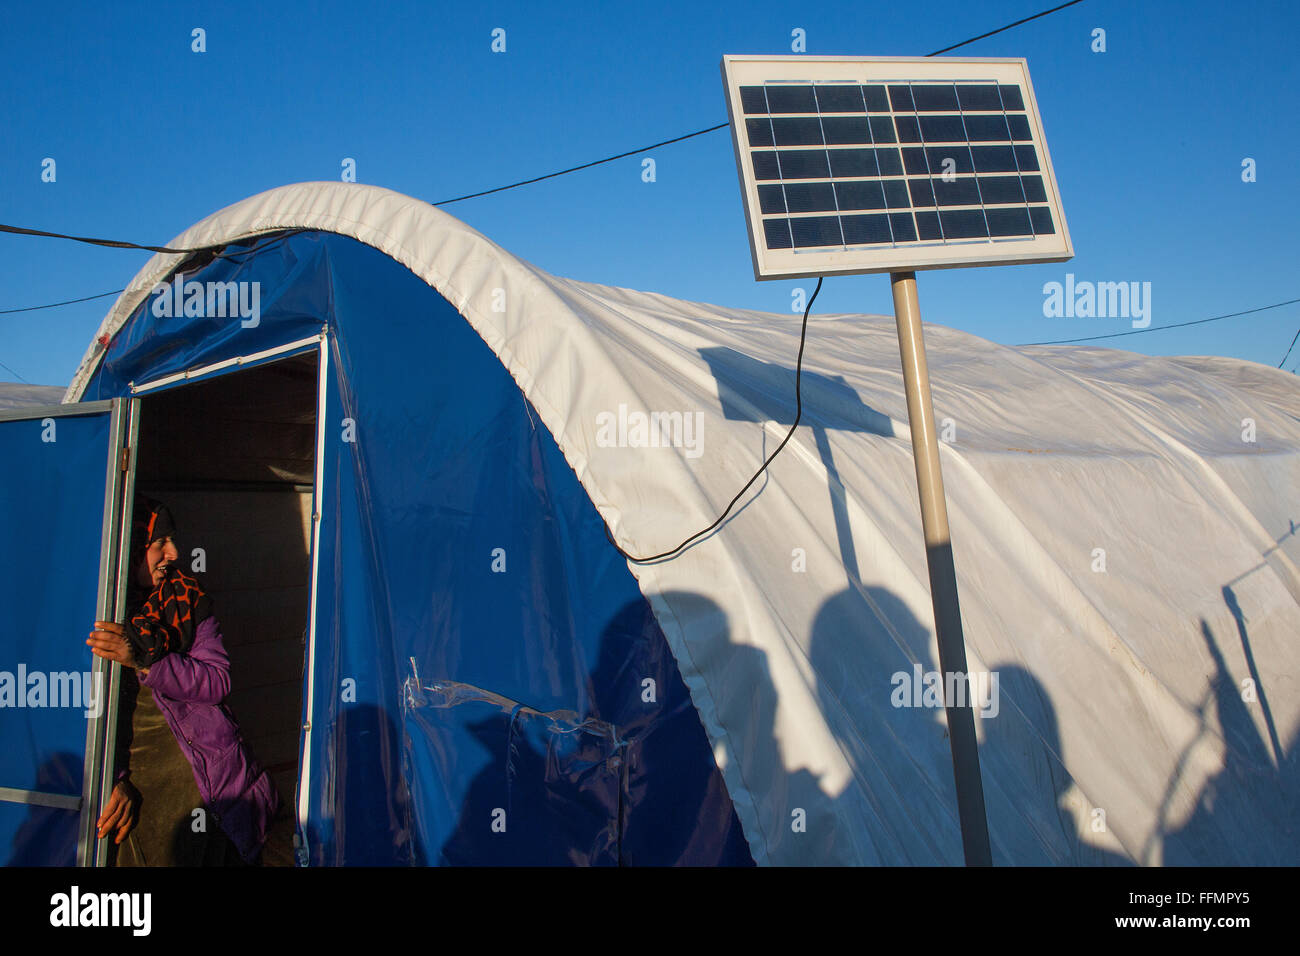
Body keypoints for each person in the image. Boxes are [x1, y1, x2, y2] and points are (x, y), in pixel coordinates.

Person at [87, 497, 291, 865]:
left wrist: (145, 659)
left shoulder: (186, 600)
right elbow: (82, 710)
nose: (174, 552)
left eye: (173, 540)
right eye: (159, 543)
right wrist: (110, 779)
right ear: (130, 547)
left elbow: (216, 681)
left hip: (222, 786)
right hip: (153, 804)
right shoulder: (94, 612)